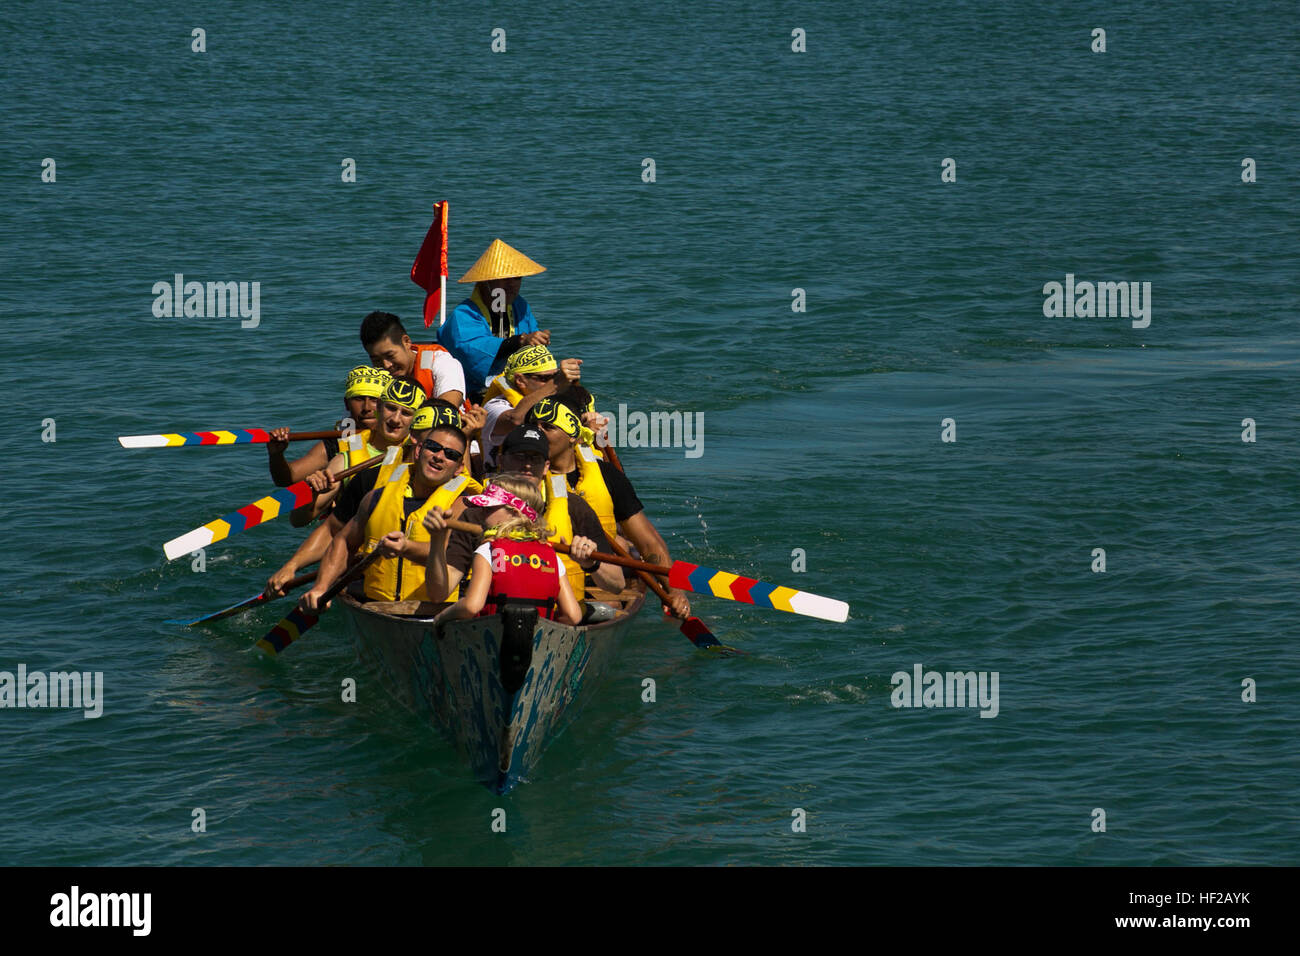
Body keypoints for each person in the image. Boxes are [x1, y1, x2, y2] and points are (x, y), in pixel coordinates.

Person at [527, 395, 691, 619]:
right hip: (542, 576)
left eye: (547, 427)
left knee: (612, 602)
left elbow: (647, 541)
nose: (538, 433)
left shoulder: (607, 476)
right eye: (533, 426)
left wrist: (674, 592)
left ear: (572, 437)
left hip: (601, 578)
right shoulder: (523, 479)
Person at [423, 425, 623, 607]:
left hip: (556, 618)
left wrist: (591, 563)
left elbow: (617, 585)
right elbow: (439, 593)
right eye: (519, 456)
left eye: (534, 458)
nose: (527, 465)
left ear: (546, 467)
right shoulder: (479, 511)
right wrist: (437, 541)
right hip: (491, 618)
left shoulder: (575, 507)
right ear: (501, 460)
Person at [263, 376, 426, 597]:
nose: (396, 419)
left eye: (406, 413)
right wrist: (291, 566)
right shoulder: (346, 458)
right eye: (390, 408)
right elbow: (304, 521)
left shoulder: (428, 455)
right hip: (359, 563)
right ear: (380, 408)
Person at [299, 424, 475, 611]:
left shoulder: (463, 508)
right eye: (433, 447)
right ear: (418, 451)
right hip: (376, 605)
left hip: (432, 610)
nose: (439, 457)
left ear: (459, 468)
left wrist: (406, 547)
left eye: (451, 455)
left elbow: (448, 553)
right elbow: (343, 542)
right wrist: (321, 587)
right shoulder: (375, 497)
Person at [432, 475, 583, 627]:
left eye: (490, 507)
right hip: (537, 643)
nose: (482, 511)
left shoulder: (488, 551)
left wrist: (442, 617)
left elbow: (472, 606)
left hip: (492, 643)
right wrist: (543, 624)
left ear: (516, 513)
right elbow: (573, 615)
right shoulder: (552, 557)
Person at [437, 239, 553, 400]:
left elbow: (532, 341)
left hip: (517, 385)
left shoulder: (520, 305)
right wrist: (519, 341)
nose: (512, 285)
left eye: (517, 278)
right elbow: (473, 352)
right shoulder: (463, 315)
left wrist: (539, 340)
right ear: (486, 282)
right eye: (505, 279)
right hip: (473, 393)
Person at [266, 365, 390, 486]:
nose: (367, 407)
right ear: (347, 404)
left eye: (375, 400)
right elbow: (287, 479)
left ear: (388, 405)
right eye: (359, 399)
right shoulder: (334, 445)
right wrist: (276, 455)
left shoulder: (406, 438)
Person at [479, 345, 582, 469]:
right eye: (545, 378)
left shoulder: (557, 403)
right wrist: (556, 383)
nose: (551, 382)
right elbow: (515, 419)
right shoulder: (494, 407)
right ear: (520, 380)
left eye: (555, 376)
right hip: (507, 481)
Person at [360, 311, 466, 408]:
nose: (386, 365)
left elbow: (447, 409)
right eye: (376, 360)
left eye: (390, 356)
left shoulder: (443, 363)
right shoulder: (373, 380)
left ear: (406, 342)